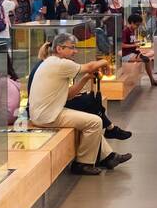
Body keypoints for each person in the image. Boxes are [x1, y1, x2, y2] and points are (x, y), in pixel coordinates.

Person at [28, 33, 131, 176]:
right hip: (47, 116)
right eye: (72, 48)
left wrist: (85, 79)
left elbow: (68, 95)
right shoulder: (60, 64)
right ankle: (82, 164)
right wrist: (105, 62)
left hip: (47, 112)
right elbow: (90, 66)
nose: (75, 51)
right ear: (59, 48)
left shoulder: (51, 62)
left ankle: (107, 157)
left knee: (89, 119)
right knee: (95, 122)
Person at [122, 12, 157, 87]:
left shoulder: (132, 31)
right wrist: (134, 45)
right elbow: (122, 45)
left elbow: (131, 42)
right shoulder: (126, 31)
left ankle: (152, 80)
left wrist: (136, 43)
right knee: (147, 59)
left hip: (133, 52)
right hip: (127, 55)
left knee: (149, 56)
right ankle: (152, 80)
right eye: (137, 25)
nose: (137, 27)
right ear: (131, 23)